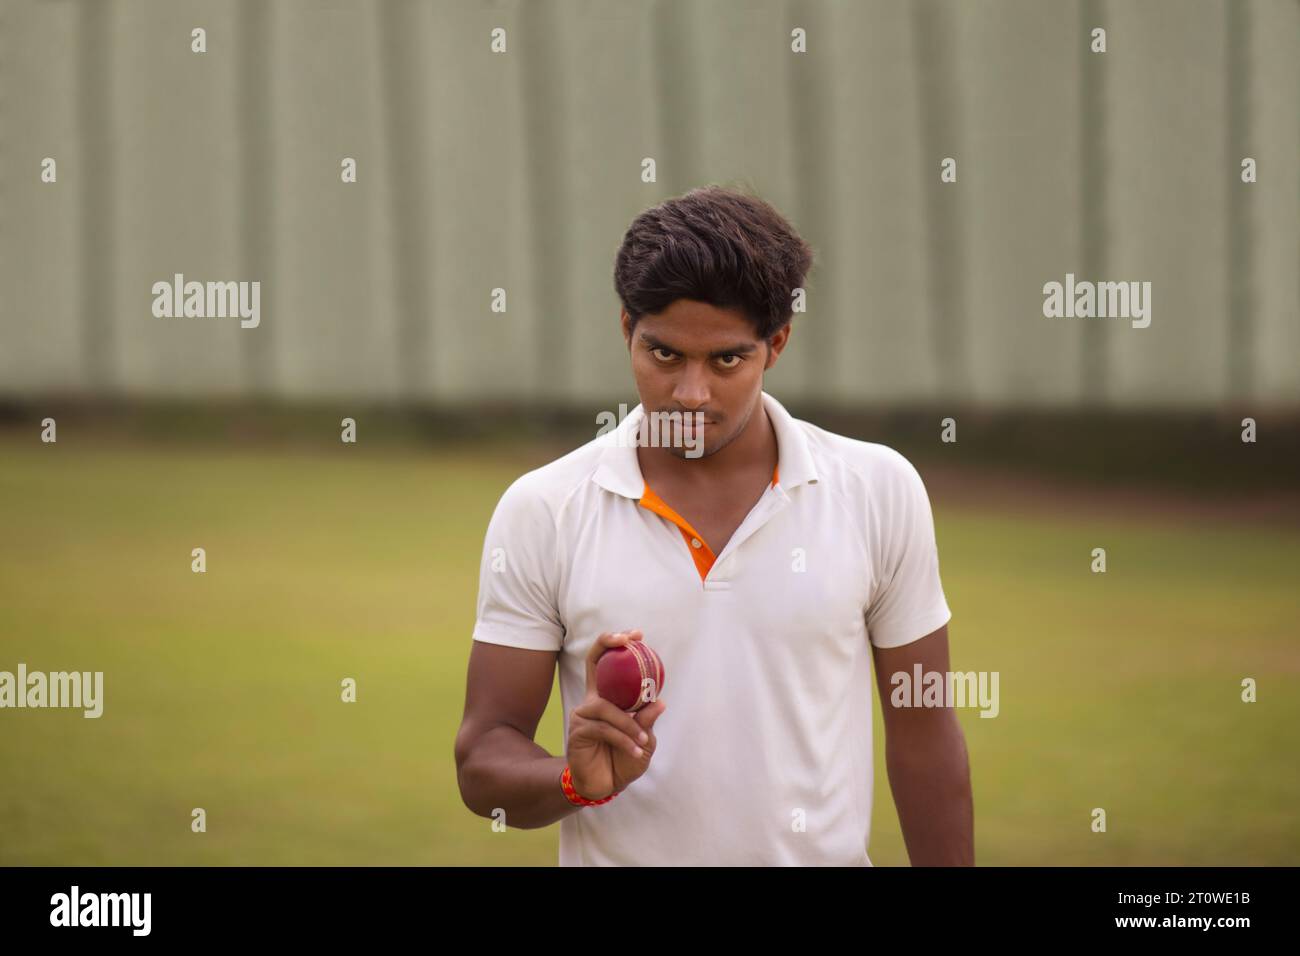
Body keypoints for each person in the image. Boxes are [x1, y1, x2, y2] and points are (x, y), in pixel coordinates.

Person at [454, 185, 973, 865]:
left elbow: (924, 734)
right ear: (626, 331)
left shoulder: (878, 490)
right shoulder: (544, 509)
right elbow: (484, 758)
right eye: (663, 354)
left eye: (726, 359)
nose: (690, 393)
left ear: (776, 344)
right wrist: (574, 781)